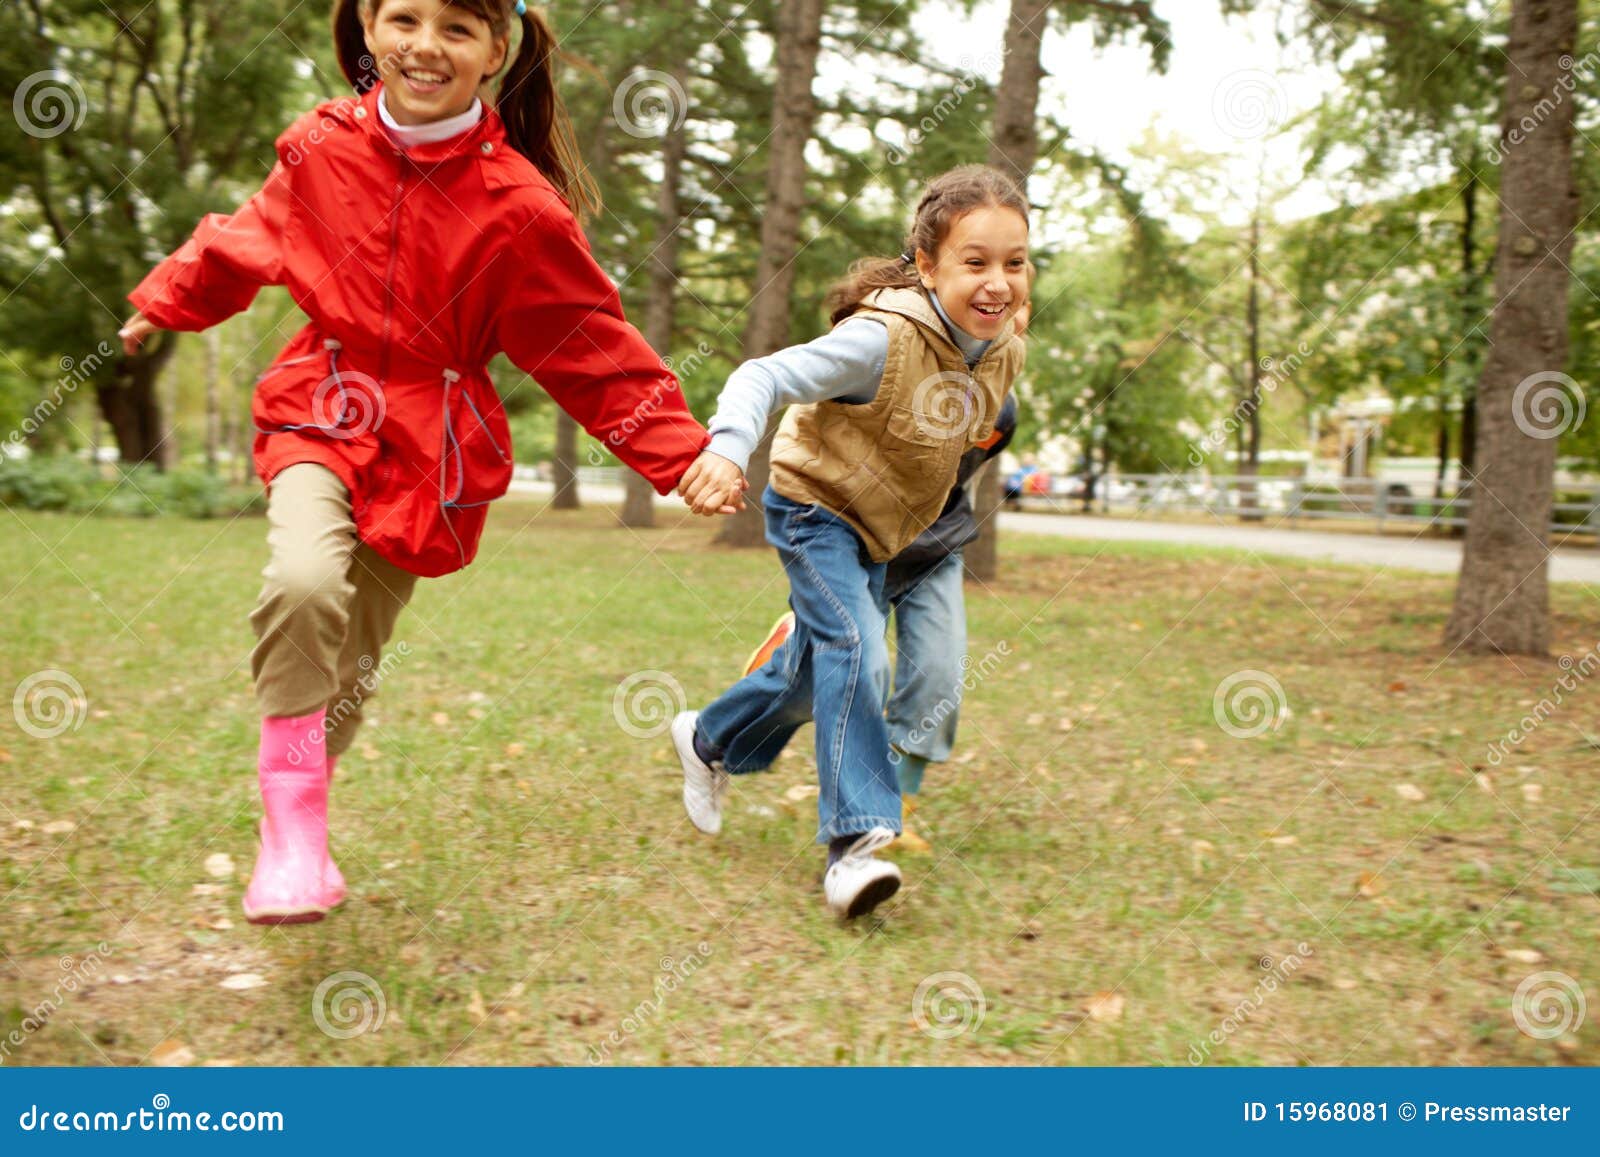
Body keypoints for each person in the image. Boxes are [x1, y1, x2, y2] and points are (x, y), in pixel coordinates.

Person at [119, 0, 719, 924]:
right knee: (303, 580)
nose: (424, 45)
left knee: (349, 662)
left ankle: (305, 816)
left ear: (495, 51)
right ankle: (288, 835)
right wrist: (167, 301)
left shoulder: (518, 205)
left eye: (457, 27)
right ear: (365, 26)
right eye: (403, 17)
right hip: (323, 405)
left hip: (431, 447)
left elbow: (587, 342)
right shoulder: (319, 147)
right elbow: (247, 237)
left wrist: (683, 457)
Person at [671, 165, 1031, 918]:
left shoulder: (1001, 348)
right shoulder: (878, 340)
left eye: (1015, 262)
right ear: (927, 266)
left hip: (899, 530)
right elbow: (761, 375)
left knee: (821, 677)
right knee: (859, 655)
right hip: (819, 511)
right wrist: (728, 448)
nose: (999, 281)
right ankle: (854, 846)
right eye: (976, 262)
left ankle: (708, 735)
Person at [741, 390, 1019, 855]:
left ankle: (890, 810)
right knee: (832, 683)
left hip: (936, 552)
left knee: (940, 674)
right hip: (864, 545)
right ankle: (792, 653)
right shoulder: (889, 368)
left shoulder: (1000, 412)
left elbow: (960, 482)